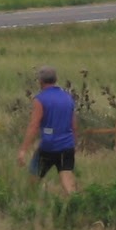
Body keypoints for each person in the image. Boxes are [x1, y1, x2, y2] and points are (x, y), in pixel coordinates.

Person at [18, 65, 77, 195]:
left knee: (33, 181)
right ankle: (76, 205)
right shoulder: (68, 98)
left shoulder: (40, 99)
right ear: (56, 79)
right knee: (67, 180)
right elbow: (73, 125)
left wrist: (23, 150)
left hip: (48, 147)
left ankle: (31, 203)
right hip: (67, 146)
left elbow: (34, 126)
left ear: (40, 81)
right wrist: (74, 144)